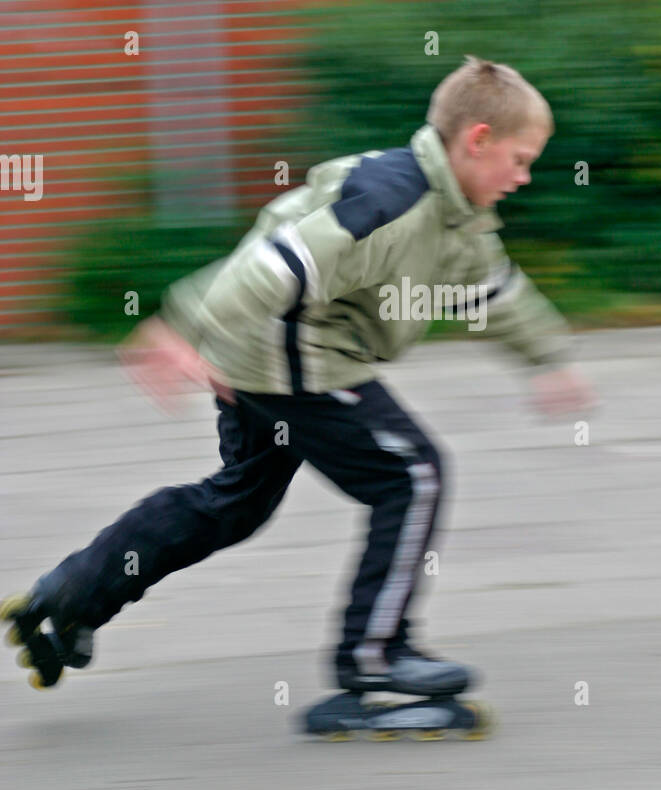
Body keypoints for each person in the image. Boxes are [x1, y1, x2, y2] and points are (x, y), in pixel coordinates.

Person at [2, 56, 595, 699]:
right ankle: (373, 656)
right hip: (291, 354)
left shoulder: (457, 220)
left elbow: (494, 293)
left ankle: (71, 596)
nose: (524, 176)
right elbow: (277, 265)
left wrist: (549, 357)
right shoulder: (392, 202)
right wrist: (184, 327)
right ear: (478, 140)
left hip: (260, 355)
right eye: (519, 158)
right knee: (413, 475)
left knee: (238, 502)